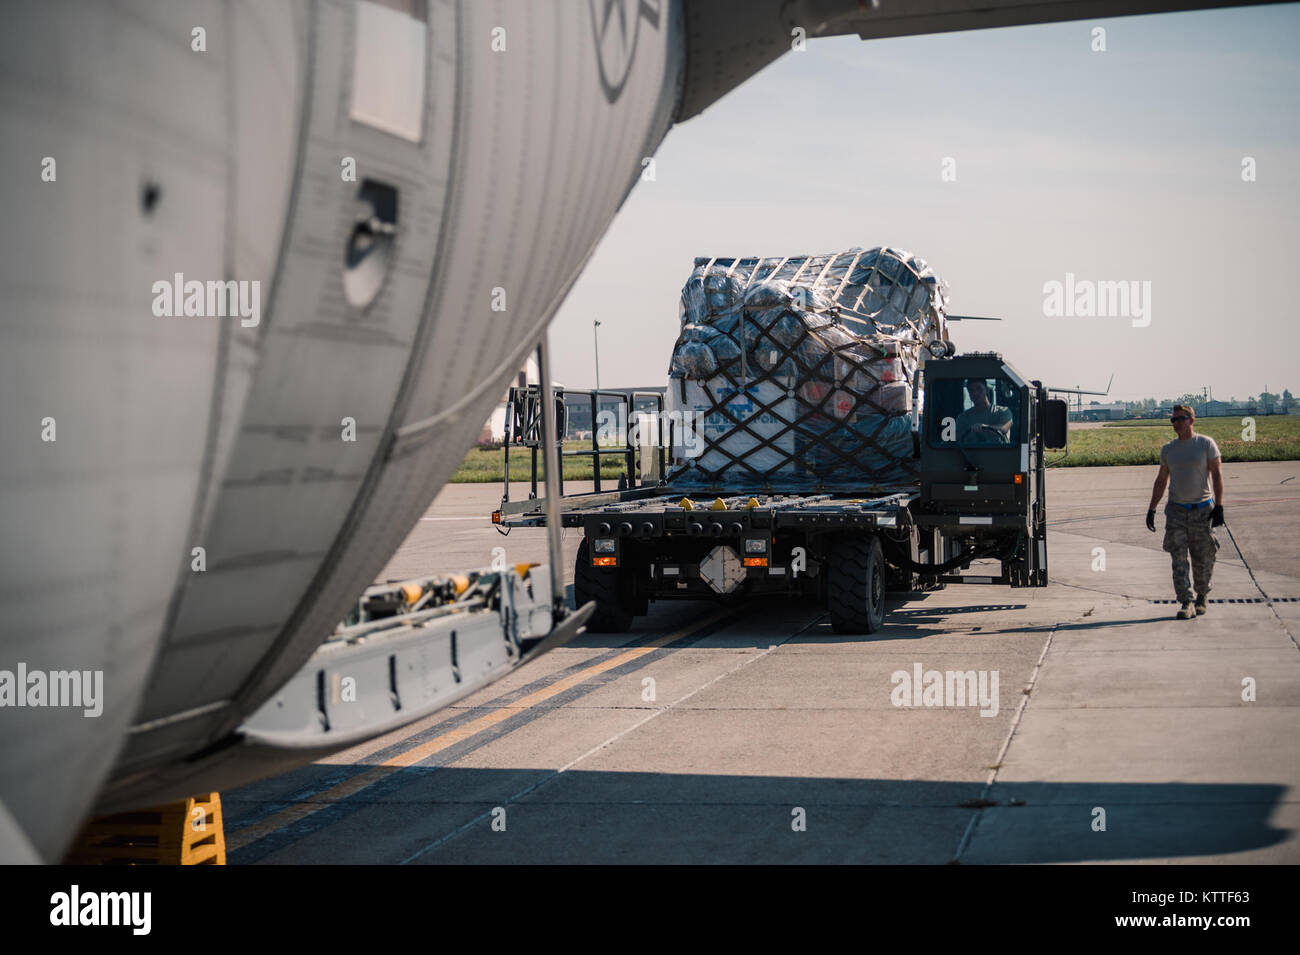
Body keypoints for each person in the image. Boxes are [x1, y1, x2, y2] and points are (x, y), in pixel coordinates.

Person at [1145, 404, 1224, 619]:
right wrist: (1151, 508)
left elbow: (1217, 475)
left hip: (1202, 510)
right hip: (1177, 511)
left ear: (1191, 420)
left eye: (1180, 419)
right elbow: (1162, 480)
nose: (1175, 423)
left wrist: (1219, 506)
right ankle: (1186, 601)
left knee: (1203, 558)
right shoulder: (1168, 449)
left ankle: (1202, 595)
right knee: (1178, 559)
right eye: (1173, 420)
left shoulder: (1205, 444)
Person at [955, 379, 1013, 444]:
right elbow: (957, 439)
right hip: (970, 454)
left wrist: (985, 427)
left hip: (1000, 453)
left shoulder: (1003, 411)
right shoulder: (963, 417)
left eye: (979, 388)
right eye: (971, 390)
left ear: (986, 389)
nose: (975, 393)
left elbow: (1004, 428)